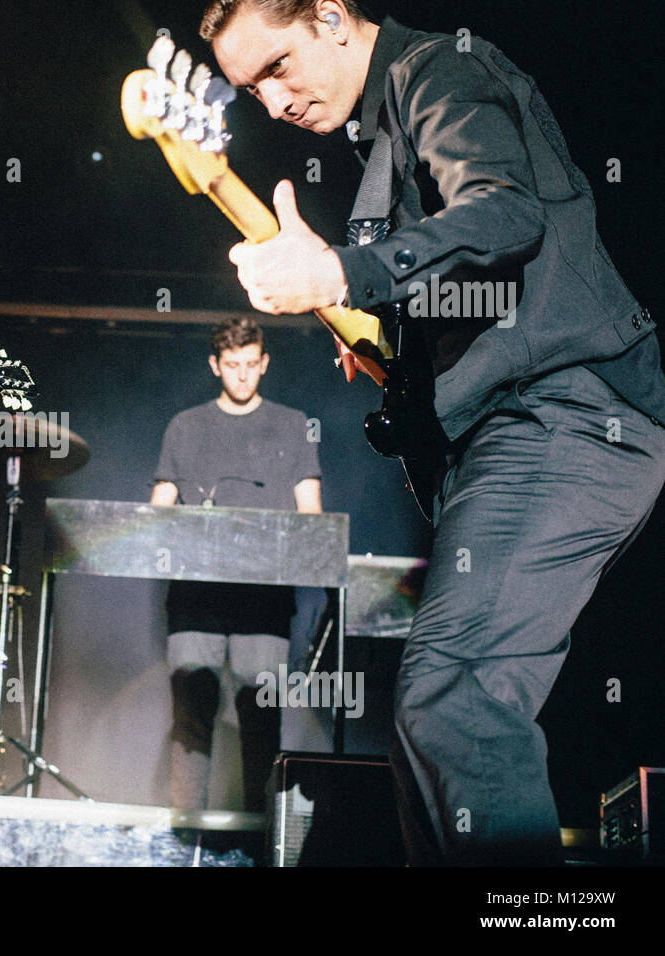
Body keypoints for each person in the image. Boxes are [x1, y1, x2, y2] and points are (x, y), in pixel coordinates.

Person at [199, 0, 665, 863]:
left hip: (565, 421)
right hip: (521, 441)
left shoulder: (439, 72)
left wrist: (344, 268)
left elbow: (504, 214)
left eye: (276, 67)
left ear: (332, 18)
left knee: (452, 695)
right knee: (431, 719)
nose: (272, 103)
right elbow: (460, 284)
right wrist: (393, 347)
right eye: (247, 89)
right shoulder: (378, 141)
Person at [152, 316, 327, 811]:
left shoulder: (293, 425)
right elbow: (159, 508)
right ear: (215, 365)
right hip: (195, 599)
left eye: (252, 365)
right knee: (190, 722)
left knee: (261, 719)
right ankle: (186, 840)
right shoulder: (185, 426)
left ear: (264, 363)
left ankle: (258, 844)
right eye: (233, 365)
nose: (243, 375)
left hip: (264, 600)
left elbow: (310, 515)